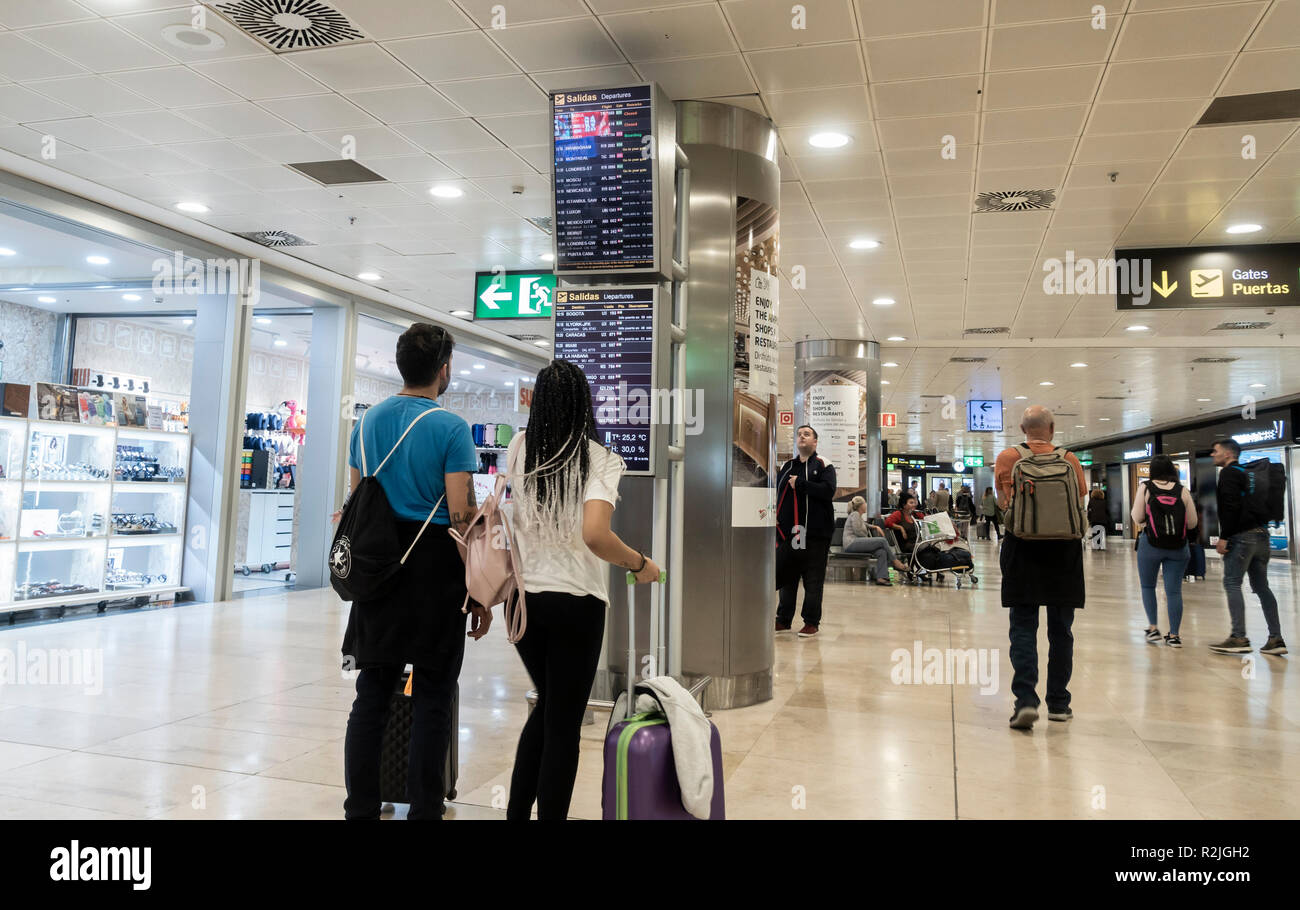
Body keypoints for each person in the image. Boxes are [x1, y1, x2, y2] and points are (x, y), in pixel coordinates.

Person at [340, 323, 492, 821]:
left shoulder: (366, 423)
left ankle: (360, 808)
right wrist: (479, 590)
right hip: (432, 571)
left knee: (372, 695)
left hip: (377, 565)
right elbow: (460, 515)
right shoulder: (449, 429)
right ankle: (424, 810)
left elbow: (358, 500)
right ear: (443, 369)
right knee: (432, 693)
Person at [505, 359, 661, 820]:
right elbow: (595, 533)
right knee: (563, 724)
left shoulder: (519, 446)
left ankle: (516, 813)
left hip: (524, 601)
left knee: (549, 706)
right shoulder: (600, 457)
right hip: (576, 602)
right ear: (583, 404)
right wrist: (640, 563)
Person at [995, 406, 1086, 730]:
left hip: (1022, 549)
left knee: (1023, 627)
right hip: (1064, 552)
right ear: (1052, 428)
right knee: (1061, 630)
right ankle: (1059, 704)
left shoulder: (1008, 458)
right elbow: (1079, 501)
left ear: (1022, 428)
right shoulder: (1070, 459)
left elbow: (1004, 504)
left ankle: (1026, 702)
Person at [1208, 440, 1287, 656]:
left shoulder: (1228, 474)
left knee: (1232, 582)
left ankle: (1238, 637)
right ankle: (1276, 637)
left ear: (1227, 453)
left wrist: (1224, 537)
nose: (1212, 455)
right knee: (1262, 587)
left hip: (1242, 537)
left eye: (1215, 451)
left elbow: (1230, 507)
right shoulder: (1248, 473)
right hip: (1262, 536)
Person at [775, 425, 837, 638]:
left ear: (815, 442)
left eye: (807, 434)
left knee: (813, 579)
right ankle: (783, 619)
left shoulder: (824, 465)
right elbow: (778, 494)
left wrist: (801, 484)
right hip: (792, 533)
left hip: (817, 534)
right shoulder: (788, 466)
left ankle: (811, 622)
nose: (802, 436)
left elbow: (828, 491)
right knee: (787, 577)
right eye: (799, 434)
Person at [1131, 455, 1197, 648]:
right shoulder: (1182, 491)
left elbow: (1137, 517)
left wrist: (1150, 524)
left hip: (1150, 543)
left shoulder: (1146, 487)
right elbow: (1192, 523)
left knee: (1148, 587)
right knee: (1174, 591)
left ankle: (1153, 628)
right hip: (1178, 546)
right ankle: (1174, 634)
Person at [842, 495, 908, 586]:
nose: (866, 505)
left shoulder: (858, 516)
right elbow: (858, 531)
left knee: (881, 552)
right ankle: (895, 562)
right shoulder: (855, 514)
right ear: (861, 505)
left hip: (855, 543)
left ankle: (881, 577)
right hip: (851, 543)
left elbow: (864, 524)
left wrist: (875, 526)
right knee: (882, 541)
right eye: (865, 503)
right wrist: (870, 541)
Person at [885, 493, 926, 558]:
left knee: (932, 548)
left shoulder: (915, 514)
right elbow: (887, 522)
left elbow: (927, 519)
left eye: (914, 502)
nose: (914, 505)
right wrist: (900, 528)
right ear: (904, 505)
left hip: (917, 543)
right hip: (907, 545)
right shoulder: (898, 514)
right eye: (911, 503)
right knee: (928, 551)